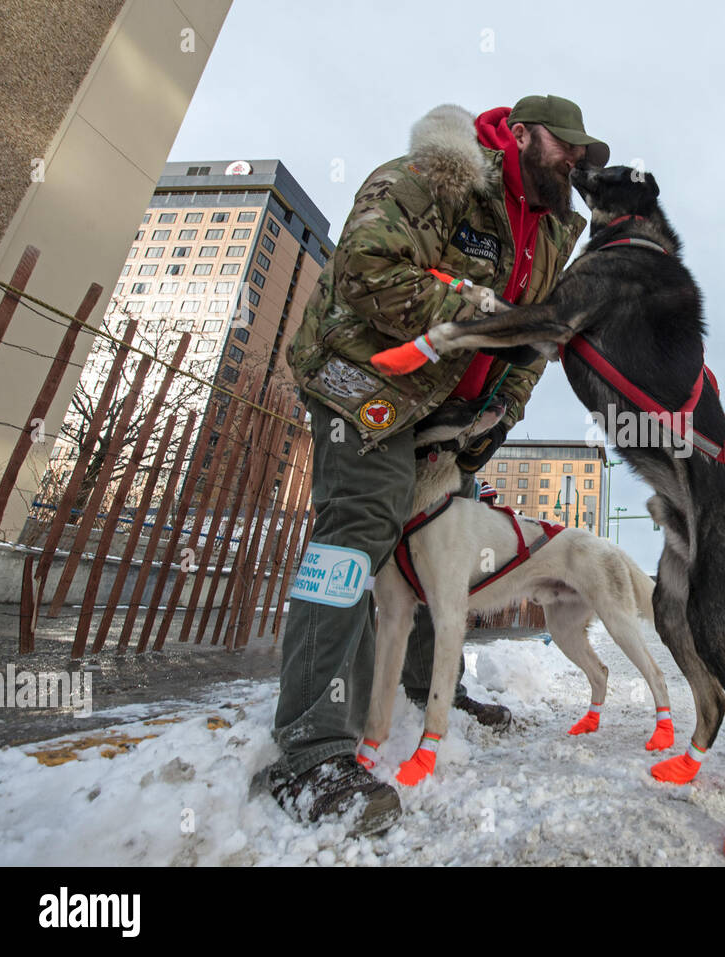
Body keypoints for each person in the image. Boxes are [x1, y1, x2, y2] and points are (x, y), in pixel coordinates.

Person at [266, 96, 607, 833]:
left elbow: (535, 344)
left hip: (445, 418)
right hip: (366, 375)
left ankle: (422, 690)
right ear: (519, 135)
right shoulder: (440, 176)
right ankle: (307, 746)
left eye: (583, 156)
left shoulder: (550, 237)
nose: (574, 163)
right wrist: (472, 309)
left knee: (438, 553)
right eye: (565, 146)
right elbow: (364, 264)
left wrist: (498, 411)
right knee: (360, 525)